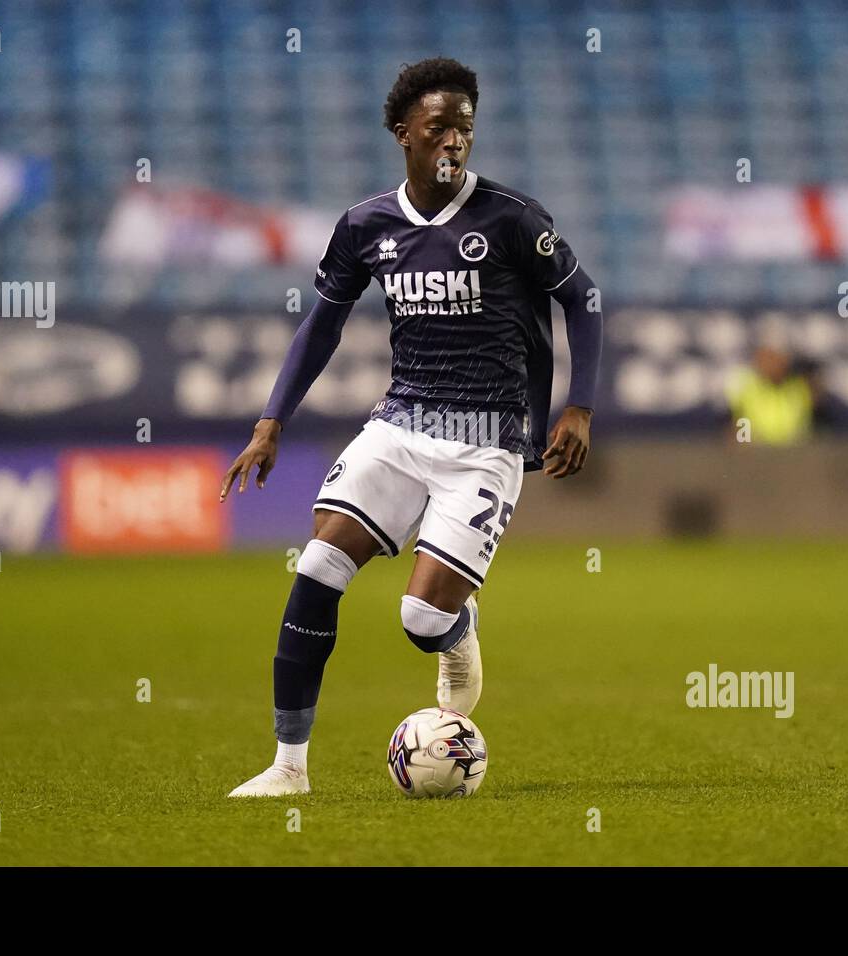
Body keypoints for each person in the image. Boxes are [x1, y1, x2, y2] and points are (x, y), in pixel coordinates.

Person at [220, 57, 603, 797]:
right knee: (316, 568)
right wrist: (270, 423)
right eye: (439, 127)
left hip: (486, 440)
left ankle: (455, 634)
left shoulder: (513, 218)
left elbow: (583, 302)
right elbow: (320, 327)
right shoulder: (368, 225)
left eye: (465, 126)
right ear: (404, 134)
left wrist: (578, 406)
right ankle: (288, 768)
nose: (454, 140)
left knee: (421, 617)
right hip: (399, 426)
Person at [725, 343, 814, 445]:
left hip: (794, 452)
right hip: (757, 453)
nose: (771, 365)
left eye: (775, 359)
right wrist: (745, 442)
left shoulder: (799, 390)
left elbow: (807, 428)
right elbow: (740, 431)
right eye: (766, 360)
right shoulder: (746, 390)